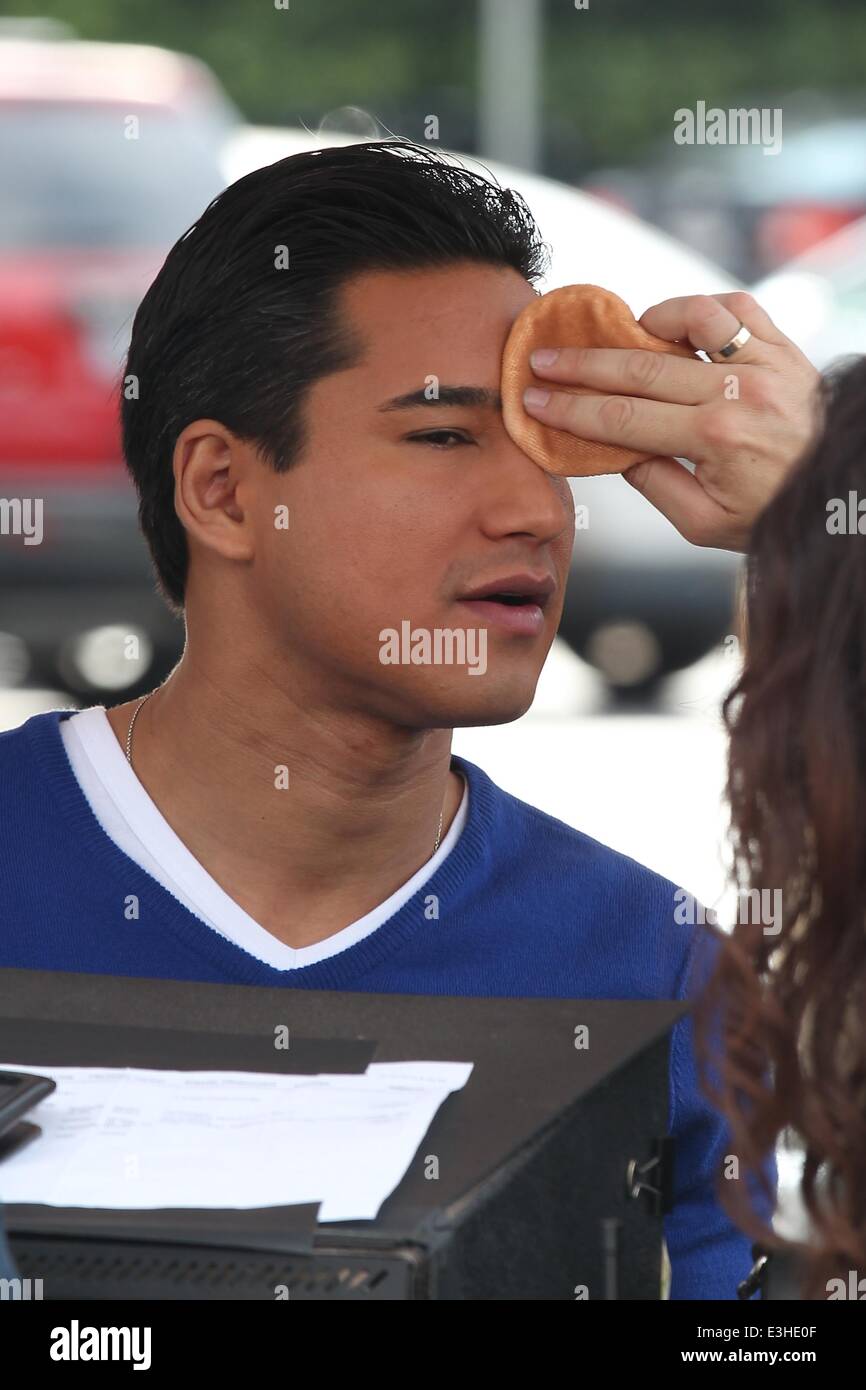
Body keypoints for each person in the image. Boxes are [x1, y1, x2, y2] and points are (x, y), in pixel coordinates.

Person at [0, 140, 818, 1298]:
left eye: (549, 450)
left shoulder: (655, 969)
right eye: (442, 435)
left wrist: (831, 528)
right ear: (224, 491)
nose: (533, 510)